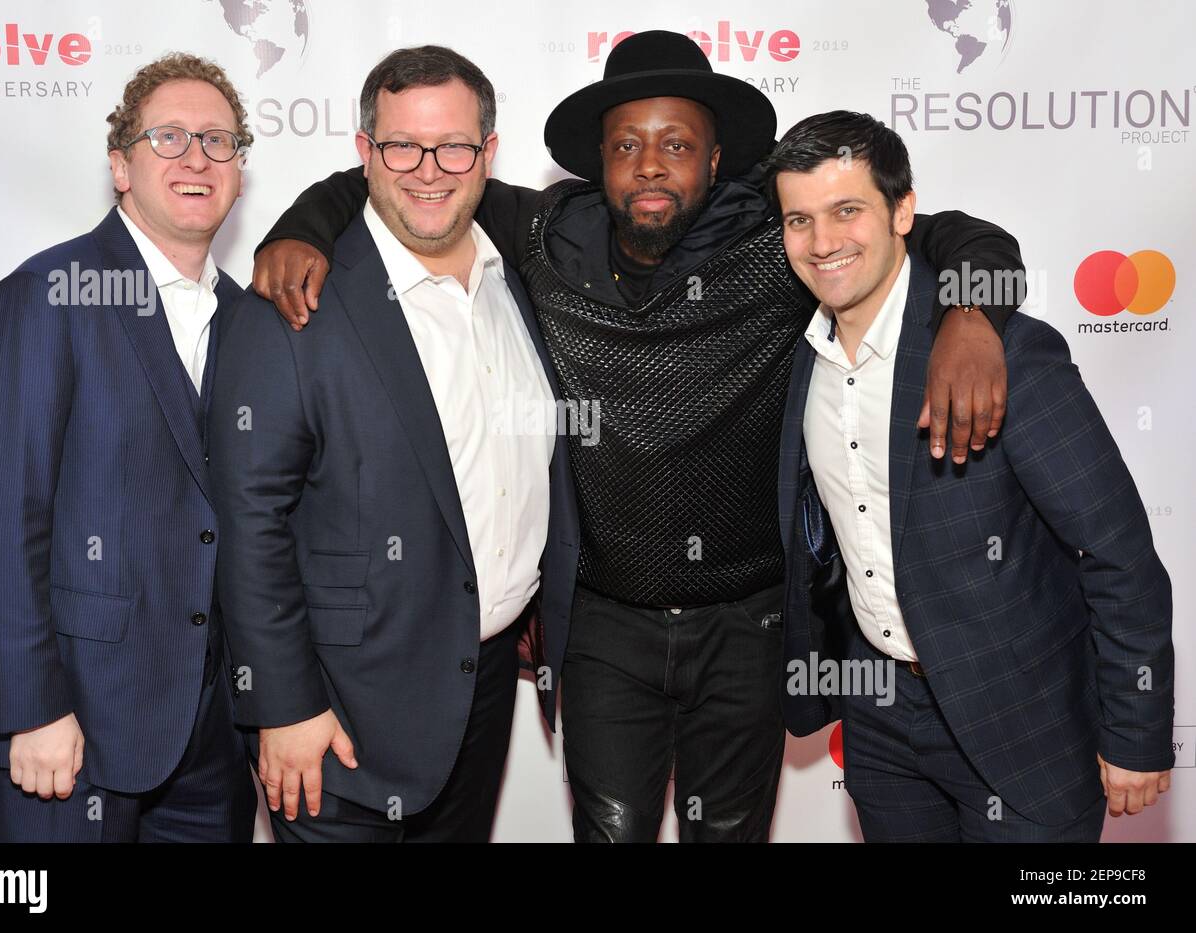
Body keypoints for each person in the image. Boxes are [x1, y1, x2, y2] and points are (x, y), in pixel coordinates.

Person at [250, 30, 1026, 842]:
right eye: (627, 145)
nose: (651, 165)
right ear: (598, 161)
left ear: (717, 160)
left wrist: (971, 315)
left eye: (677, 144)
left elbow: (957, 238)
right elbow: (402, 174)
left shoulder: (785, 239)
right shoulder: (542, 230)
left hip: (749, 622)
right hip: (601, 627)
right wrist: (299, 230)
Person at [208, 45, 578, 843]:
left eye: (452, 147)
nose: (428, 170)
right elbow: (249, 519)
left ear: (488, 154)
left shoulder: (523, 273)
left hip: (481, 692)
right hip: (340, 716)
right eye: (402, 146)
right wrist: (285, 703)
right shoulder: (293, 301)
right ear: (365, 154)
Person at [771, 110, 1174, 842]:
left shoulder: (1003, 353)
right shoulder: (803, 358)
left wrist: (1137, 731)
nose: (823, 242)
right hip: (882, 721)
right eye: (800, 219)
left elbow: (1119, 552)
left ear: (902, 211)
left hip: (1024, 722)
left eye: (847, 210)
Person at [0, 53, 258, 842]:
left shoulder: (251, 320)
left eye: (218, 140)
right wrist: (32, 706)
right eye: (169, 137)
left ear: (240, 171)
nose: (196, 158)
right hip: (63, 726)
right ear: (120, 166)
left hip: (208, 736)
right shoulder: (49, 295)